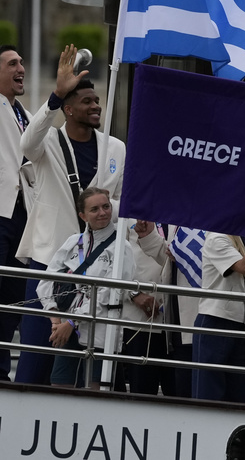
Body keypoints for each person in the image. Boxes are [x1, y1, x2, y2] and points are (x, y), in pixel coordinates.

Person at [17, 45, 126, 384]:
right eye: (86, 102)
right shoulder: (47, 141)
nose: (96, 106)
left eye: (97, 101)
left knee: (81, 364)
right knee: (36, 358)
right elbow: (25, 144)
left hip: (95, 270)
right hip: (50, 261)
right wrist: (54, 95)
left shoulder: (116, 147)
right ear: (67, 109)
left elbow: (120, 200)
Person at [37, 187, 135, 389]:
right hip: (65, 327)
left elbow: (108, 294)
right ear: (83, 215)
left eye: (106, 206)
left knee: (94, 391)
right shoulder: (72, 242)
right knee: (59, 385)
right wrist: (55, 316)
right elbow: (45, 280)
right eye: (95, 209)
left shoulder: (122, 247)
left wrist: (71, 322)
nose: (102, 213)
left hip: (100, 330)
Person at [192, 229, 245, 403]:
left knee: (239, 396)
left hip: (243, 325)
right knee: (209, 396)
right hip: (216, 323)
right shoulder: (216, 238)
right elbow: (244, 267)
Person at [0, 45, 30, 381]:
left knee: (11, 301)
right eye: (12, 63)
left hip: (21, 217)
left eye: (21, 62)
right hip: (0, 213)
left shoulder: (24, 112)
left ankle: (1, 372)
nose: (20, 68)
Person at [122, 220, 177, 396]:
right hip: (139, 319)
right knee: (141, 391)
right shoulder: (133, 208)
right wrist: (134, 293)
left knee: (177, 392)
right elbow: (114, 258)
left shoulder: (184, 209)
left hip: (175, 321)